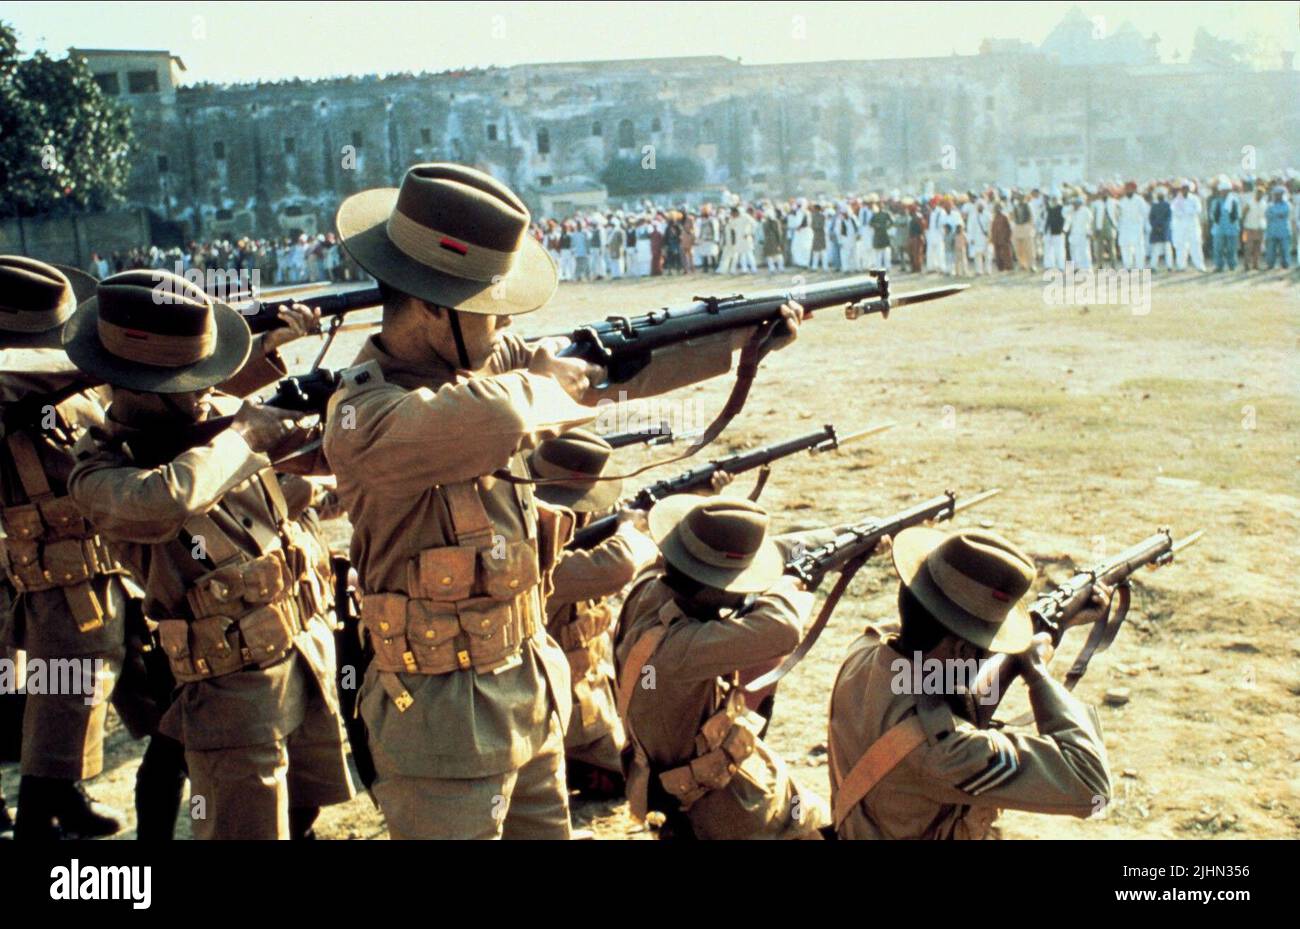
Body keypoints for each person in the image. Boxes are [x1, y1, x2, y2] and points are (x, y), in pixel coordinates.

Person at [320, 162, 806, 839]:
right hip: (437, 723)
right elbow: (496, 413)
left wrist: (734, 340)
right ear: (432, 307)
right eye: (491, 309)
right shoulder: (366, 414)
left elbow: (602, 375)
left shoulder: (484, 364)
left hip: (527, 692)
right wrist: (548, 383)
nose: (504, 325)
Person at [64, 269, 354, 839]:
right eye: (191, 381)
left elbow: (306, 452)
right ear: (139, 386)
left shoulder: (210, 422)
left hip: (299, 660)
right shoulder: (97, 471)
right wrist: (246, 437)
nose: (208, 390)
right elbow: (168, 498)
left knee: (301, 819)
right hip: (228, 691)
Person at [828, 528, 1113, 839]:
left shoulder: (866, 650)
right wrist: (1035, 671)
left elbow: (936, 649)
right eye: (992, 645)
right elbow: (1091, 784)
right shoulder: (945, 751)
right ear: (962, 652)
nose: (995, 652)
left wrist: (1058, 622)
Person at [0, 258, 128, 840]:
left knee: (78, 698)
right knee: (58, 696)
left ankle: (63, 796)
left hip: (104, 567)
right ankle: (41, 818)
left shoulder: (69, 383)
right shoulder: (15, 385)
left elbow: (165, 406)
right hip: (48, 573)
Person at [614, 496, 829, 839]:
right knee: (816, 822)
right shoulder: (680, 651)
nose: (747, 587)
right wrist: (788, 583)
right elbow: (783, 629)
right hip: (718, 804)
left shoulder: (653, 587)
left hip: (674, 783)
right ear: (714, 588)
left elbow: (769, 549)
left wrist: (842, 538)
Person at [526, 431, 657, 796]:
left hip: (586, 697)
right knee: (644, 781)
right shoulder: (527, 555)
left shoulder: (568, 525)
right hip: (546, 710)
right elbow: (619, 565)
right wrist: (629, 529)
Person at [1171, 181, 1205, 272]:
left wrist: (1188, 212)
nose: (1185, 190)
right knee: (1181, 245)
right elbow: (1174, 210)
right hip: (1181, 226)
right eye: (1183, 188)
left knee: (1196, 245)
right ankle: (1181, 266)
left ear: (1189, 189)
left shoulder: (1194, 198)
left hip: (1193, 225)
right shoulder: (1177, 199)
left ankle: (1200, 266)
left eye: (1186, 188)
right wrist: (1182, 213)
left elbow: (1198, 209)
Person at [1209, 178, 1242, 272]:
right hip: (1219, 228)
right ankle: (1219, 266)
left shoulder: (1234, 201)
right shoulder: (1215, 201)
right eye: (1223, 190)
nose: (1225, 192)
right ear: (1220, 191)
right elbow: (1212, 215)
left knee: (1232, 248)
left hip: (1232, 228)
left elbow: (1238, 214)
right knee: (1218, 248)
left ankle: (1232, 265)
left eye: (1226, 190)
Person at [1117, 182, 1148, 270]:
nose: (1128, 190)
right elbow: (1119, 216)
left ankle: (1140, 266)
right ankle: (1128, 266)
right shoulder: (1122, 201)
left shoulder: (1139, 200)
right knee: (1125, 246)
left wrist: (1145, 226)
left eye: (1130, 189)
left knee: (1139, 247)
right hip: (1125, 227)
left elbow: (1145, 213)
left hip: (1137, 227)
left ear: (1134, 189)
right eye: (1127, 189)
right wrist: (1119, 227)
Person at [1263, 185, 1292, 270]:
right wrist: (1277, 214)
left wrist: (1274, 214)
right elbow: (1267, 215)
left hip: (1284, 230)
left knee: (1284, 249)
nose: (1277, 196)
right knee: (1271, 249)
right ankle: (1270, 265)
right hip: (1272, 230)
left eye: (1279, 194)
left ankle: (1285, 264)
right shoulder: (1270, 205)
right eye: (1276, 194)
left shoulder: (1287, 204)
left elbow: (1285, 213)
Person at [1241, 185, 1268, 271]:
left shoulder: (1264, 203)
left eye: (1261, 193)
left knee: (1258, 247)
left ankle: (1255, 264)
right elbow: (1243, 214)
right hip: (1249, 227)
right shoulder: (1249, 203)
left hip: (1260, 227)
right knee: (1248, 247)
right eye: (1258, 193)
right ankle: (1246, 264)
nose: (1260, 195)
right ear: (1255, 193)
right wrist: (1243, 226)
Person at [1063, 195, 1092, 271]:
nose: (1076, 205)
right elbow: (1066, 217)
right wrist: (1065, 230)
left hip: (1083, 234)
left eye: (1077, 203)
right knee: (1073, 251)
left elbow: (1090, 223)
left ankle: (1087, 268)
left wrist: (1089, 232)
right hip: (1074, 235)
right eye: (1074, 204)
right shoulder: (1071, 211)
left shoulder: (1086, 211)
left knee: (1085, 251)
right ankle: (1076, 268)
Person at [1148, 188, 1174, 271]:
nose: (1160, 196)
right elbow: (1151, 218)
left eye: (1161, 195)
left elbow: (1168, 218)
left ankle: (1169, 266)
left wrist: (1159, 227)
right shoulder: (1154, 206)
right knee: (1157, 249)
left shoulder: (1167, 205)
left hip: (1163, 230)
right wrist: (1158, 227)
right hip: (1160, 230)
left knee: (1166, 249)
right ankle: (1154, 266)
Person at [990, 202, 1014, 271]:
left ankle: (1009, 267)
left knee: (1006, 253)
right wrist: (992, 238)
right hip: (996, 239)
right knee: (998, 254)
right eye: (996, 208)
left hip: (1004, 239)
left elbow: (1009, 228)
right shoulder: (994, 217)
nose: (997, 210)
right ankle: (1000, 267)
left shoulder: (1004, 217)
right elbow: (992, 229)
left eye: (998, 208)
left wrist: (1007, 238)